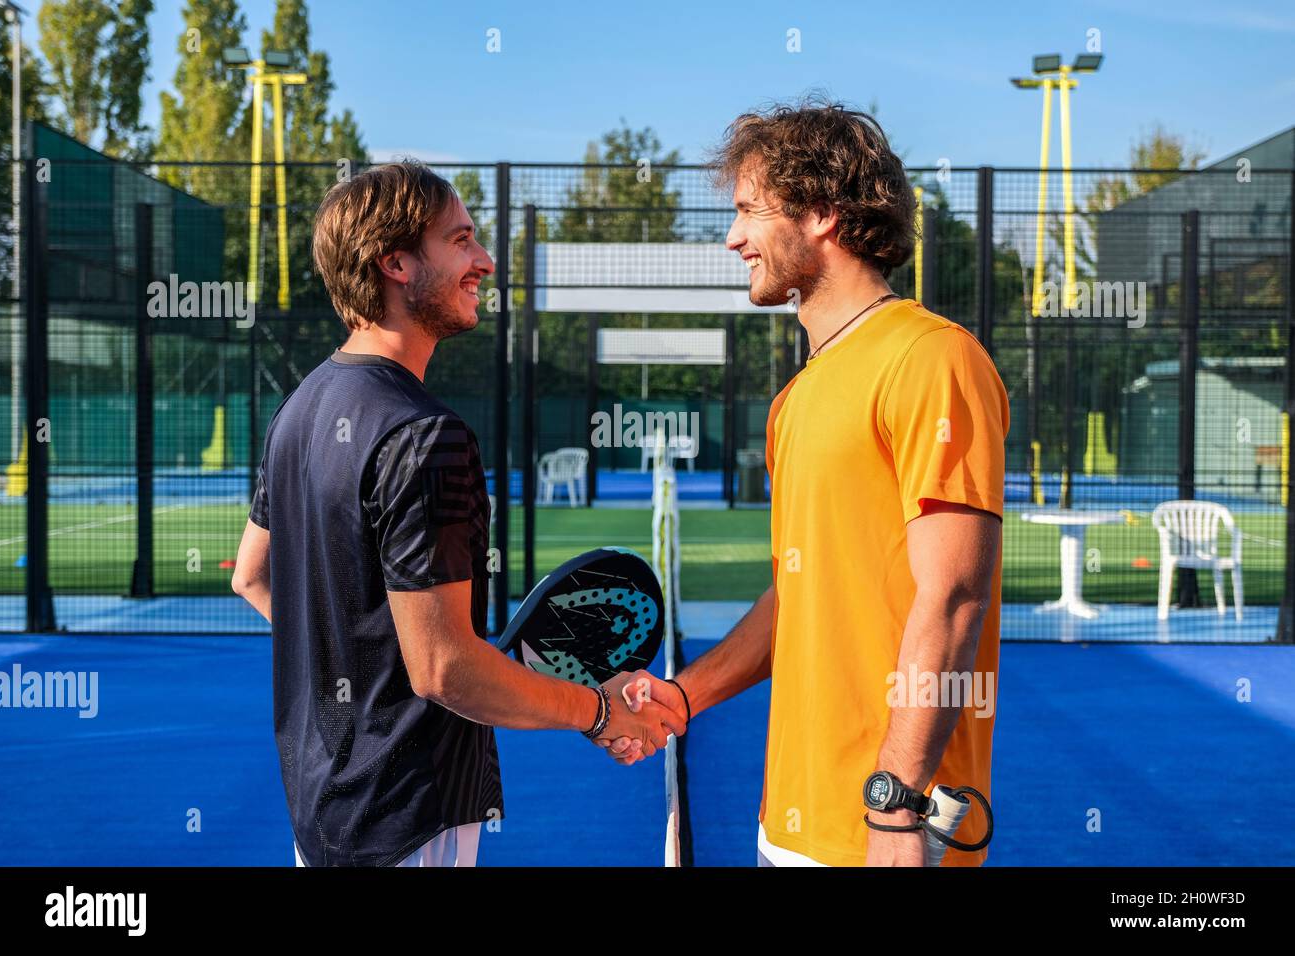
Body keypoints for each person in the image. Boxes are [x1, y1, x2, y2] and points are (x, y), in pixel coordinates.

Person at [232, 161, 686, 867]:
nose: (484, 261)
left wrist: (359, 665)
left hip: (321, 805)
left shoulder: (298, 409)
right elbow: (444, 670)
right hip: (407, 808)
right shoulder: (424, 435)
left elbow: (251, 577)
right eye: (462, 240)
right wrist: (597, 711)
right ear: (397, 263)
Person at [607, 97, 1008, 867]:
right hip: (790, 824)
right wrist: (686, 694)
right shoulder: (796, 399)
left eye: (750, 211)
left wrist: (897, 802)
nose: (733, 238)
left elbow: (956, 596)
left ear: (821, 212)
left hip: (883, 826)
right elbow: (799, 595)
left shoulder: (932, 359)